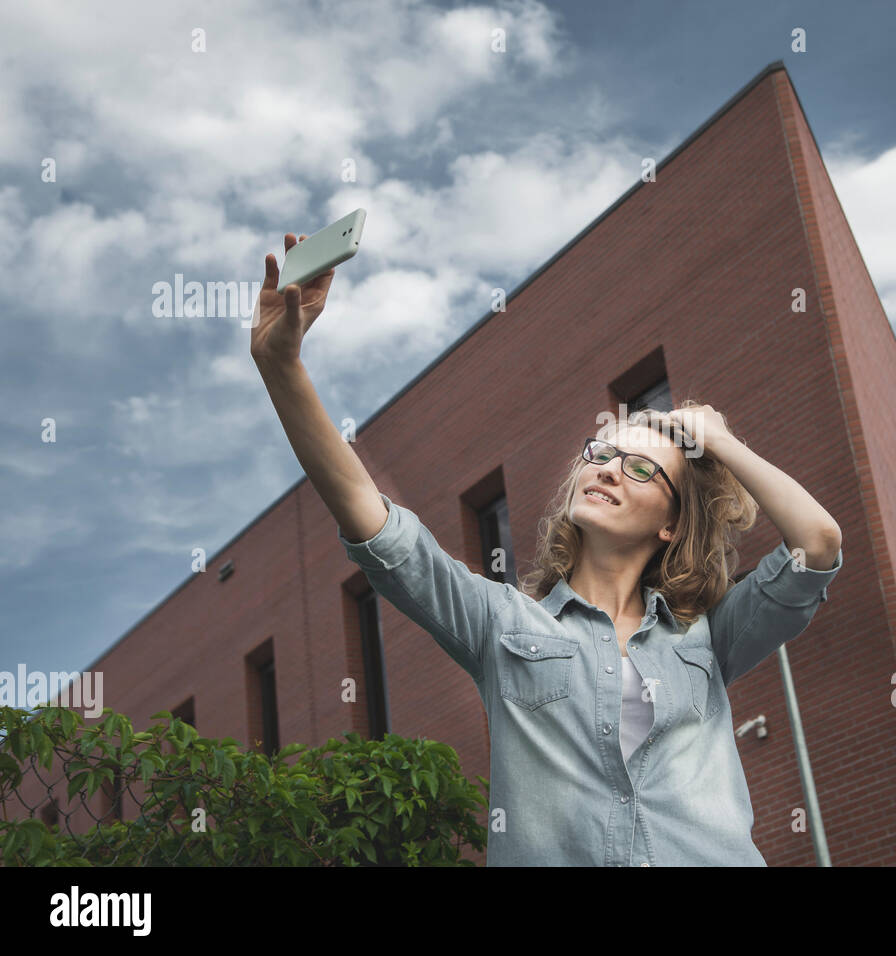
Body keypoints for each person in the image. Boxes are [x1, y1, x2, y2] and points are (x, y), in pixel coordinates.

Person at [252, 233, 844, 866]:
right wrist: (281, 367)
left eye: (642, 469)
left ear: (671, 525)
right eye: (603, 455)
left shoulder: (711, 637)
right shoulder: (502, 625)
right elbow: (376, 526)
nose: (611, 469)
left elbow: (819, 542)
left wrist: (719, 442)